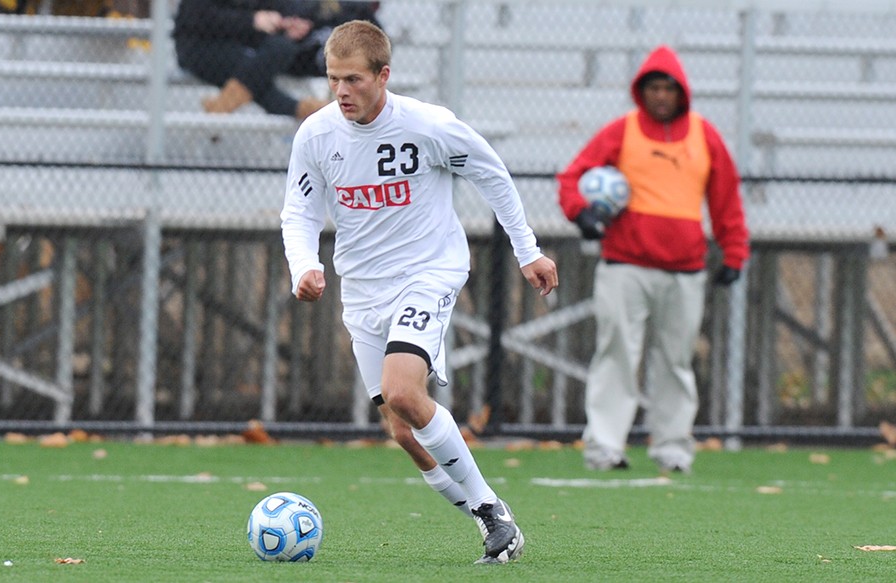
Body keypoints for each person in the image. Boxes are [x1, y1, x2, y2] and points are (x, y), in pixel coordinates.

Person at [281, 20, 557, 564]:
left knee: (404, 392)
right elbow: (299, 210)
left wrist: (527, 250)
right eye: (333, 79)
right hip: (363, 290)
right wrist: (304, 265)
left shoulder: (428, 126)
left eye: (354, 80)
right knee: (403, 429)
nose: (341, 91)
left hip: (427, 274)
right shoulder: (316, 135)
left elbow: (493, 175)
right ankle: (489, 517)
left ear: (383, 75)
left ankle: (491, 510)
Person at [556, 45, 749, 474]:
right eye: (654, 88)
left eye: (668, 88)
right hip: (624, 266)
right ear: (642, 91)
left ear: (682, 93)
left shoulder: (704, 136)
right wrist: (581, 213)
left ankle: (673, 449)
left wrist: (734, 253)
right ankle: (604, 447)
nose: (661, 96)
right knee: (616, 354)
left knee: (676, 361)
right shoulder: (621, 131)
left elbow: (727, 201)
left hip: (685, 271)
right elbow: (572, 177)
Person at [173, 0, 380, 121]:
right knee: (251, 66)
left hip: (240, 44)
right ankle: (301, 109)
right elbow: (195, 18)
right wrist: (252, 20)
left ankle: (221, 105)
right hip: (198, 47)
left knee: (281, 48)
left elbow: (275, 6)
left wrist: (287, 22)